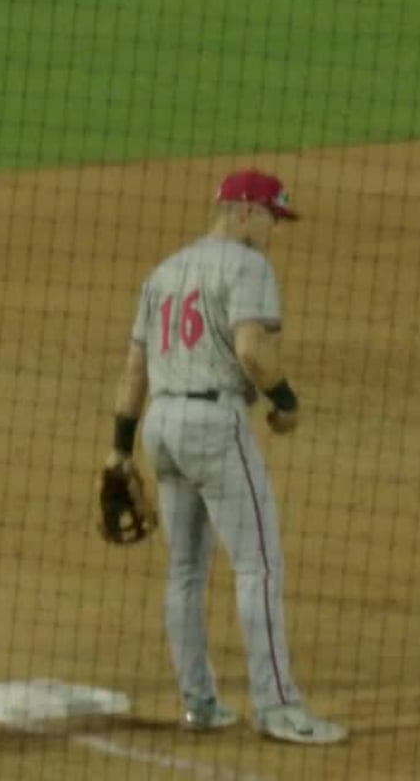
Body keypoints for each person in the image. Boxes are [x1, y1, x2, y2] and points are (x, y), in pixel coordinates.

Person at [103, 170, 348, 745]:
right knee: (259, 565)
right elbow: (251, 349)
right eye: (270, 217)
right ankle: (278, 707)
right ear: (243, 211)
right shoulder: (247, 266)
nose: (272, 231)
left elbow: (135, 370)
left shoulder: (164, 271)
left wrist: (119, 449)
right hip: (213, 427)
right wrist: (285, 402)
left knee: (185, 570)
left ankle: (199, 703)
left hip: (161, 425)